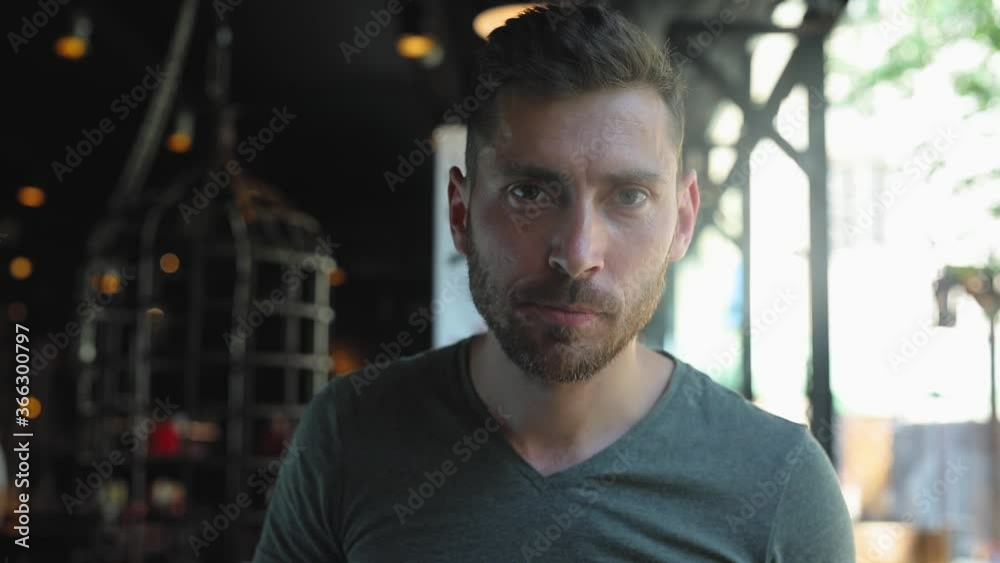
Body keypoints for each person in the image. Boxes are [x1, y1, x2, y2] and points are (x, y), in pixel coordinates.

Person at [251, 3, 855, 562]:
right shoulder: (348, 437)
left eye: (629, 197)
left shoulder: (780, 482)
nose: (577, 254)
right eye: (529, 193)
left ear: (682, 220)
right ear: (461, 213)